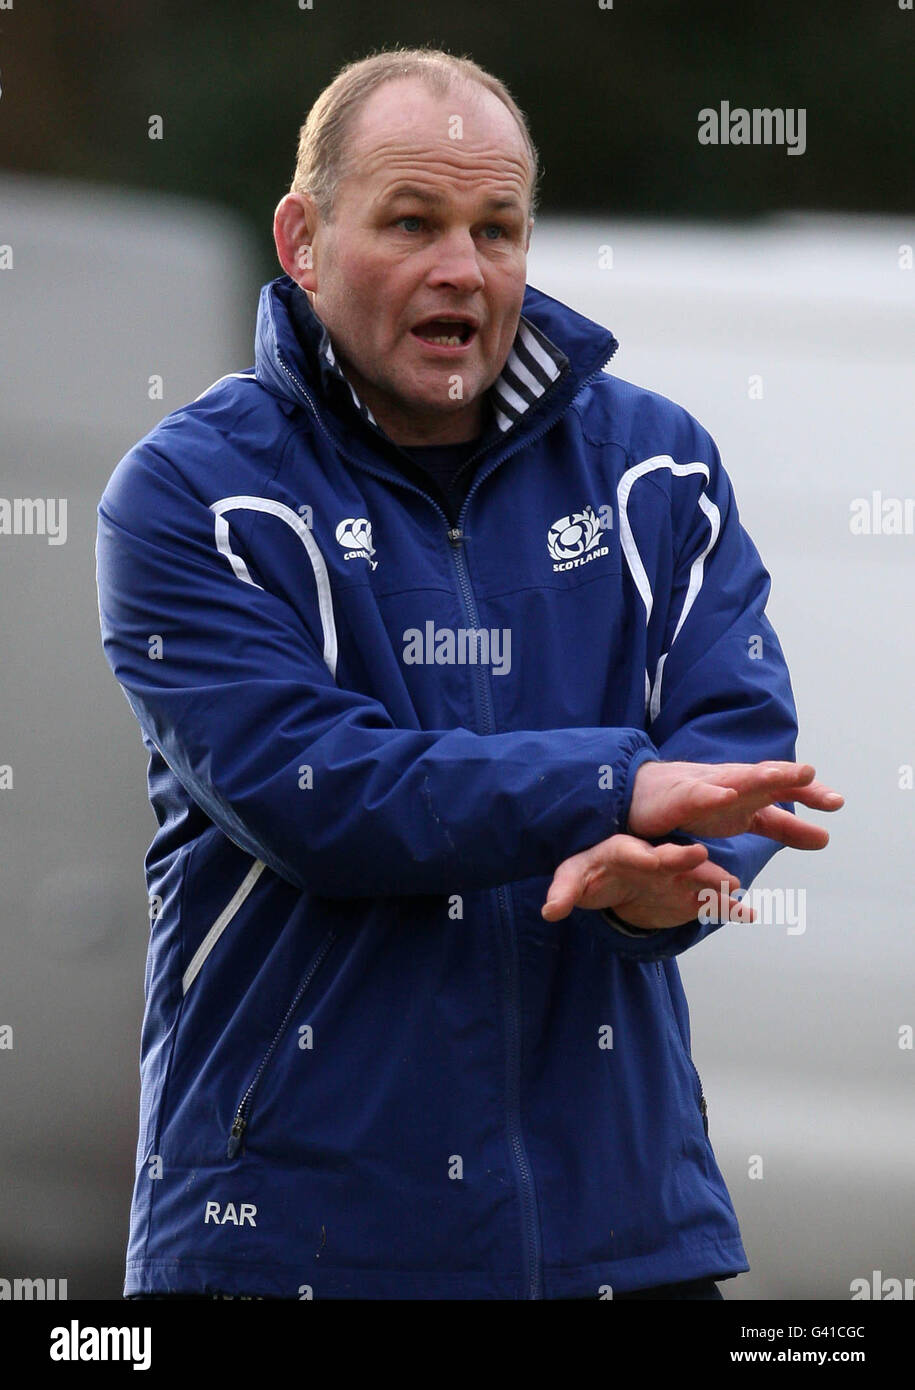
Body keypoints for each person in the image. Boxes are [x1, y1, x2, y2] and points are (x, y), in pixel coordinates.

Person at [95, 46, 843, 1301]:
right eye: (411, 221)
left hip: (626, 1237)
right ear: (303, 239)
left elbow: (732, 747)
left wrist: (671, 890)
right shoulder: (191, 494)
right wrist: (617, 782)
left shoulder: (656, 466)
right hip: (290, 1242)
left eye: (498, 228)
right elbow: (323, 791)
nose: (463, 267)